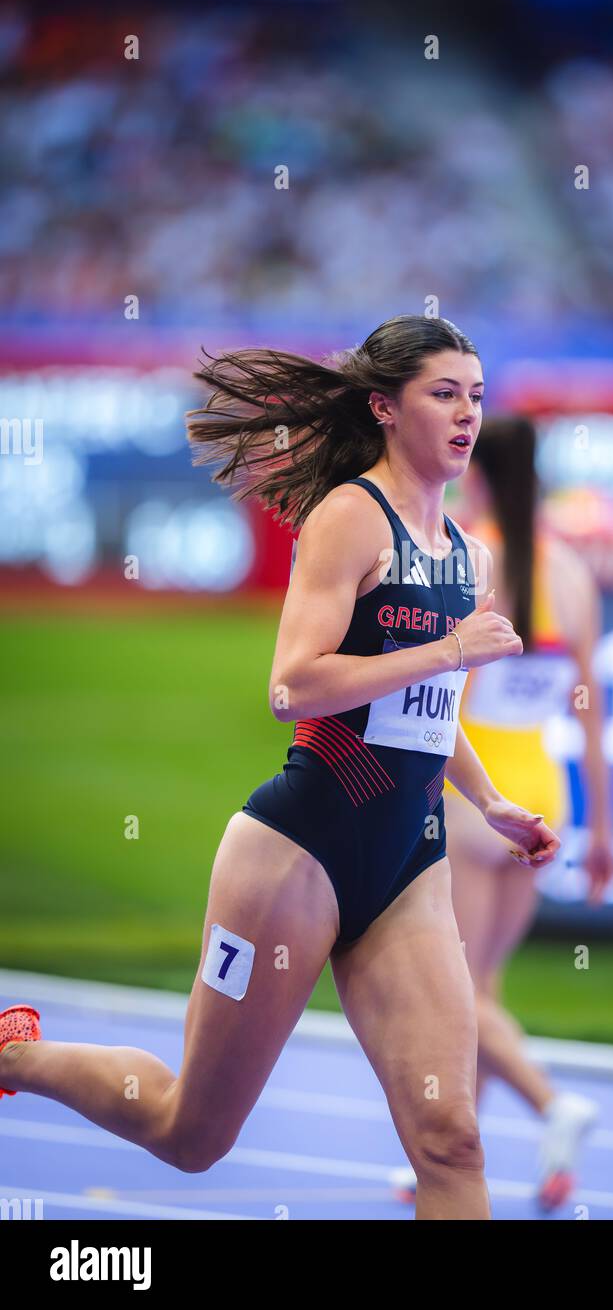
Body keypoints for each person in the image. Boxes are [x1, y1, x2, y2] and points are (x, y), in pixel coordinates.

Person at [0, 315, 562, 1222]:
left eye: (478, 397)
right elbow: (295, 687)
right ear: (383, 407)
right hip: (296, 857)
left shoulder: (469, 552)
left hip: (410, 866)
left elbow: (426, 713)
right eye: (444, 394)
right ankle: (15, 1059)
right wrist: (450, 646)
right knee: (192, 1133)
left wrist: (490, 800)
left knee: (451, 1138)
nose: (467, 415)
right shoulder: (350, 517)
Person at [392, 415, 613, 1213]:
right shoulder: (575, 575)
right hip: (542, 794)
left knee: (457, 992)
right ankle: (456, 1155)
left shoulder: (465, 557)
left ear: (474, 473)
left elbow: (430, 690)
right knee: (478, 988)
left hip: (472, 795)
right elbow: (591, 716)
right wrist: (604, 834)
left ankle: (553, 1105)